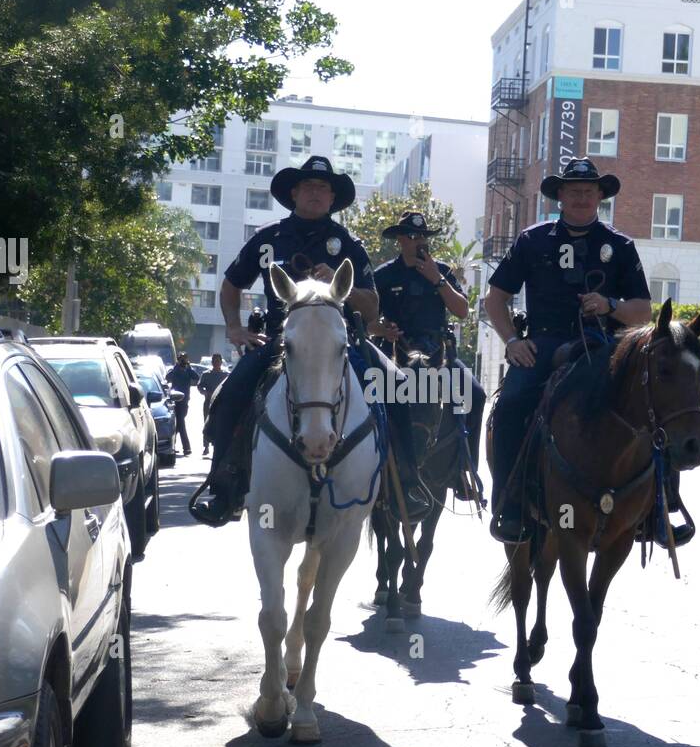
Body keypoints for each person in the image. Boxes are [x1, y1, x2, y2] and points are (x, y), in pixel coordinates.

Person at [191, 155, 433, 526]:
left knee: (398, 389)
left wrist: (341, 283)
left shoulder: (347, 244)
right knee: (229, 394)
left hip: (344, 342)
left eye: (324, 188)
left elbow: (371, 307)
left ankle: (407, 483)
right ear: (294, 193)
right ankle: (223, 486)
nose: (316, 194)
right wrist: (234, 328)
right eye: (309, 187)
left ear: (333, 198)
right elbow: (231, 284)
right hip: (281, 342)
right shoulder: (268, 239)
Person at [484, 156, 661, 543]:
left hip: (603, 346)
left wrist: (610, 305)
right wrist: (512, 342)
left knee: (655, 407)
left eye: (589, 191)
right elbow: (495, 299)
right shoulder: (532, 240)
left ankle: (659, 509)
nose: (581, 197)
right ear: (560, 195)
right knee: (511, 403)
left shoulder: (620, 245)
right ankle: (509, 505)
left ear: (600, 195)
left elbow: (644, 311)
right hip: (542, 343)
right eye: (573, 191)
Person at [370, 211, 486, 501]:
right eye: (411, 236)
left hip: (438, 357)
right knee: (367, 396)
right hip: (397, 357)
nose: (418, 241)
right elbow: (367, 319)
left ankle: (464, 469)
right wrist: (381, 329)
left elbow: (461, 310)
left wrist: (437, 279)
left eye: (422, 236)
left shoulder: (442, 271)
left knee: (476, 394)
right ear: (400, 240)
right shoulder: (384, 275)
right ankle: (367, 465)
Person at [166, 353, 201, 455]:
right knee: (181, 423)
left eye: (184, 359)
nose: (183, 361)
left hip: (184, 401)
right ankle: (186, 447)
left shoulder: (187, 371)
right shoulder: (175, 370)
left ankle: (171, 444)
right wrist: (177, 366)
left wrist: (188, 367)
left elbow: (196, 377)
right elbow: (168, 377)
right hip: (175, 401)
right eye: (181, 359)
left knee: (178, 425)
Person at [197, 353, 228, 457]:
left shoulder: (225, 375)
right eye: (214, 361)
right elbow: (200, 386)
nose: (216, 363)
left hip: (222, 404)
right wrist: (205, 392)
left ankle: (218, 445)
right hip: (208, 403)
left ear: (221, 362)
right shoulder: (206, 374)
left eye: (218, 361)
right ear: (212, 362)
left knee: (220, 424)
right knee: (207, 423)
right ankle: (206, 446)